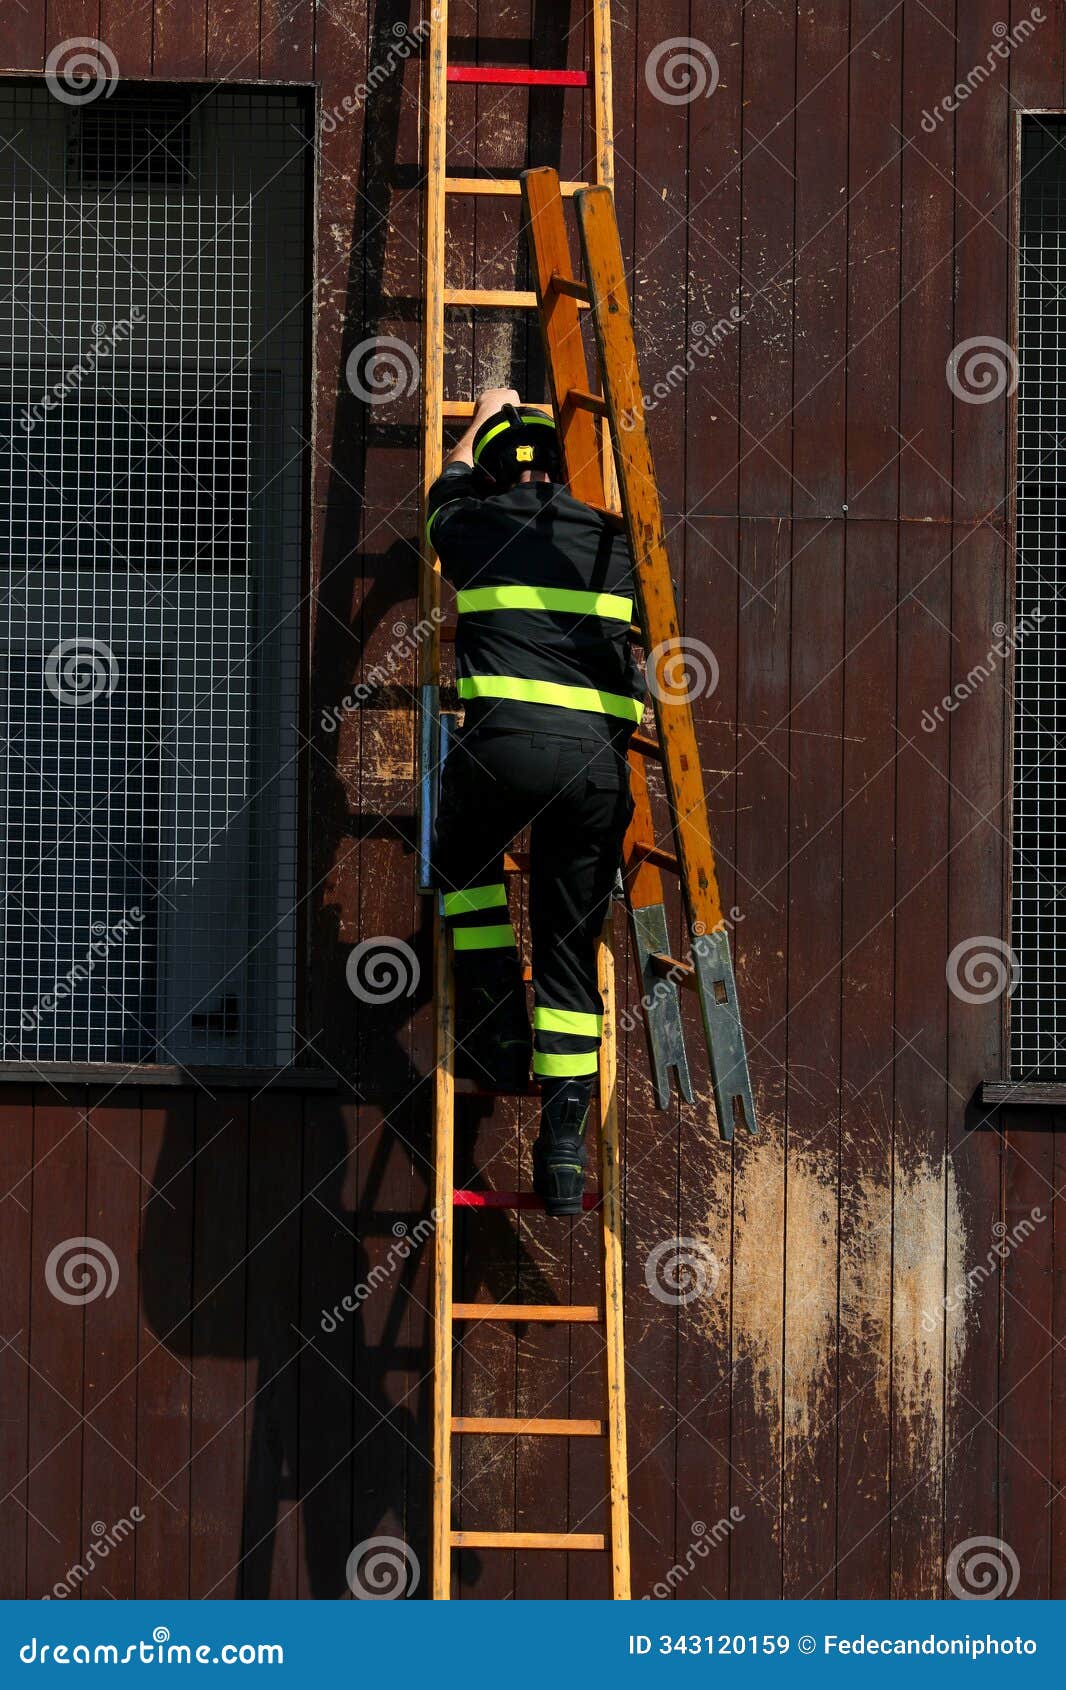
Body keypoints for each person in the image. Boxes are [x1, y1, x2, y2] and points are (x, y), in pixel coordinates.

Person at [427, 387, 645, 1215]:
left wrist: (481, 416)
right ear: (562, 464)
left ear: (492, 469)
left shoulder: (473, 528)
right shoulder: (615, 544)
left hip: (501, 755)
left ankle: (496, 1034)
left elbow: (441, 500)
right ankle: (562, 1151)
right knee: (567, 946)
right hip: (594, 771)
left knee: (463, 868)